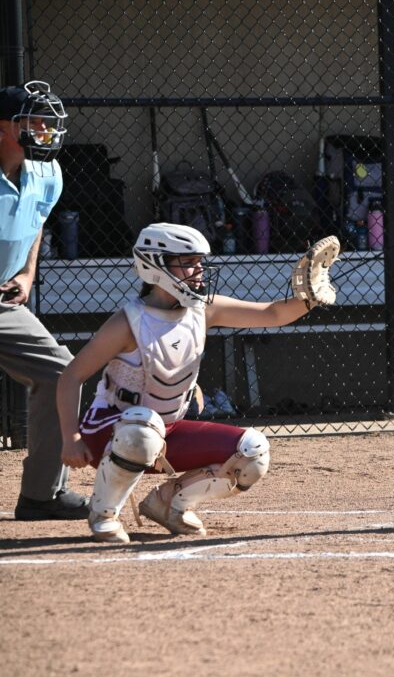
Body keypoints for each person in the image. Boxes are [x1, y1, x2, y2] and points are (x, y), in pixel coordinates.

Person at [57, 223, 338, 543]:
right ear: (156, 265)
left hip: (167, 429)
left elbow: (273, 314)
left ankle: (169, 504)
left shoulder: (203, 309)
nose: (199, 270)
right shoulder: (127, 322)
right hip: (107, 432)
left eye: (200, 261)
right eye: (188, 262)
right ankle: (104, 514)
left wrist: (308, 299)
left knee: (252, 452)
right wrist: (71, 438)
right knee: (142, 427)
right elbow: (71, 377)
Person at [0, 81, 89, 520]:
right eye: (32, 122)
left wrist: (27, 271)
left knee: (61, 372)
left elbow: (35, 220)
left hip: (2, 306)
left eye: (49, 123)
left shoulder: (45, 172)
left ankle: (41, 496)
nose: (45, 131)